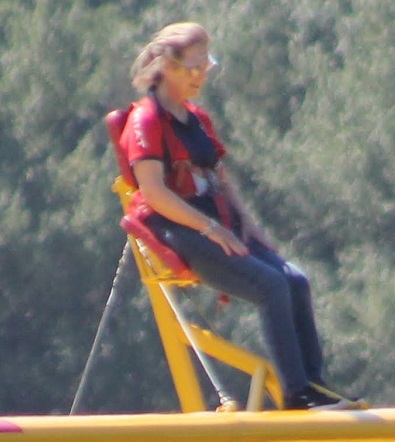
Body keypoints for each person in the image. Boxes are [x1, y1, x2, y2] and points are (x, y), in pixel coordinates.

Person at [118, 22, 352, 411]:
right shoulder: (145, 121)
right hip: (182, 231)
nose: (201, 75)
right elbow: (155, 193)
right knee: (271, 286)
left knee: (295, 280)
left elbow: (219, 178)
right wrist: (209, 228)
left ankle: (315, 385)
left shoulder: (197, 118)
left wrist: (249, 226)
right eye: (193, 68)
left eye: (206, 65)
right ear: (168, 67)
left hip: (217, 225)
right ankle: (296, 394)